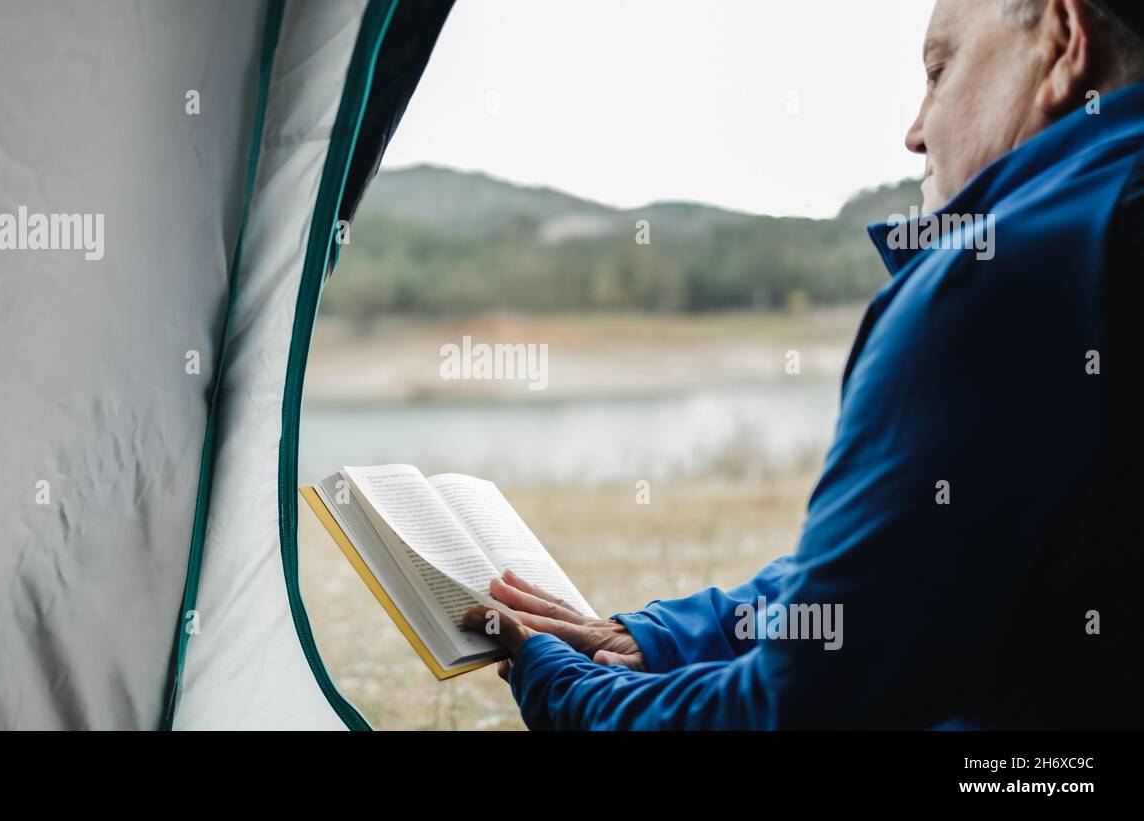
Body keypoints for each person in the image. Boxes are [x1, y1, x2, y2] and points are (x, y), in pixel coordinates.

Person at [465, 0, 1144, 730]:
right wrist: (661, 638)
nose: (914, 132)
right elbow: (898, 581)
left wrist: (560, 683)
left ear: (1065, 41)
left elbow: (792, 712)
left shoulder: (998, 280)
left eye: (939, 73)